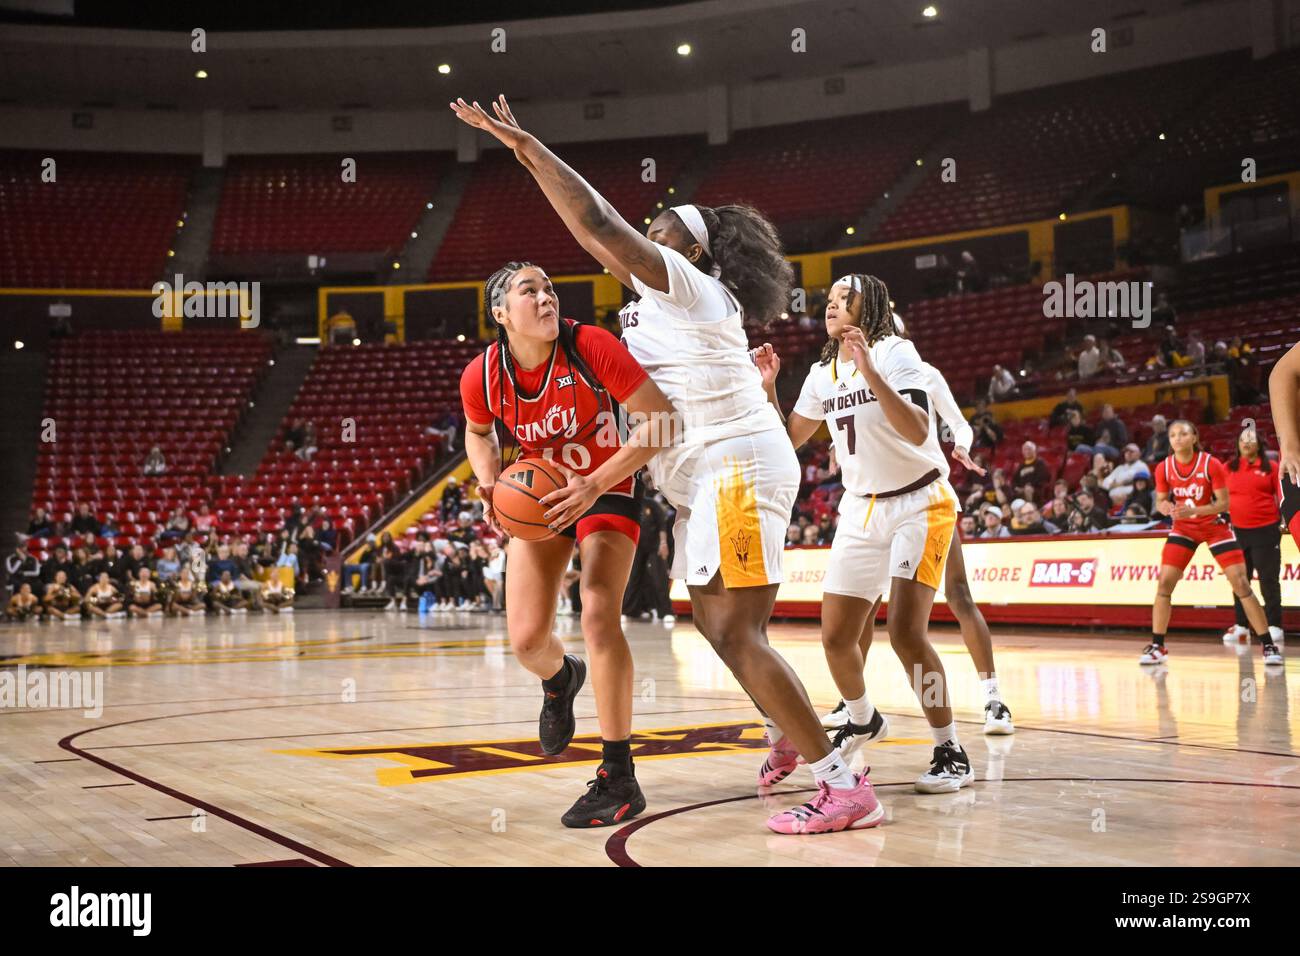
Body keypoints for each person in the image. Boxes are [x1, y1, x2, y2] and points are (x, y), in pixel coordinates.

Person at [453, 94, 879, 835]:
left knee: (735, 633)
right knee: (724, 629)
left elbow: (595, 226)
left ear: (689, 253)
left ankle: (842, 784)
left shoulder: (689, 285)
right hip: (716, 475)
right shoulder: (664, 306)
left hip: (734, 471)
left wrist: (526, 149)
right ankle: (793, 733)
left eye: (659, 233)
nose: (642, 239)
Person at [458, 258, 675, 828]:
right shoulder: (482, 375)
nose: (546, 296)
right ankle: (561, 679)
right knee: (528, 641)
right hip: (539, 493)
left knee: (599, 614)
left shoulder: (591, 345)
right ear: (501, 313)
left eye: (550, 287)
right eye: (530, 291)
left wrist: (596, 484)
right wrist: (487, 482)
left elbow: (662, 420)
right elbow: (478, 432)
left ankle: (618, 776)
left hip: (607, 484)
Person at [769, 273, 975, 795]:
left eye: (845, 299)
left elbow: (917, 431)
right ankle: (863, 718)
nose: (832, 306)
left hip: (920, 502)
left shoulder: (897, 352)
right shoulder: (820, 373)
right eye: (829, 300)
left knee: (906, 632)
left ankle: (950, 748)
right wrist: (770, 389)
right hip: (861, 508)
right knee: (836, 636)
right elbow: (786, 441)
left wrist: (870, 371)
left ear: (872, 306)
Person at [813, 318, 1015, 737]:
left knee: (956, 596)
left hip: (922, 497)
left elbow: (958, 422)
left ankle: (993, 697)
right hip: (871, 506)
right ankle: (855, 704)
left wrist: (961, 444)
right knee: (861, 610)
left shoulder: (919, 371)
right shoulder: (850, 377)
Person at [1143, 420, 1281, 666]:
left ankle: (1269, 645)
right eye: (1173, 434)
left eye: (1183, 433)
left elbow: (1224, 504)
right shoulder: (1163, 468)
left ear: (1194, 437)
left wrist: (1194, 509)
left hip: (1214, 526)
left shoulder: (1211, 464)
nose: (1177, 438)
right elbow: (1161, 501)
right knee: (1164, 582)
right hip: (1184, 528)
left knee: (1241, 583)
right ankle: (1157, 646)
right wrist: (1167, 507)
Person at [1222, 427, 1284, 645]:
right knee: (1240, 581)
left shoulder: (1272, 467)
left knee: (1268, 580)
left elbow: (1281, 497)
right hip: (1237, 532)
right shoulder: (1228, 468)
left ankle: (1274, 625)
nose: (1246, 443)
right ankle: (1242, 626)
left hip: (1266, 531)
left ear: (1259, 443)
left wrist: (1283, 522)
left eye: (1250, 440)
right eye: (1242, 440)